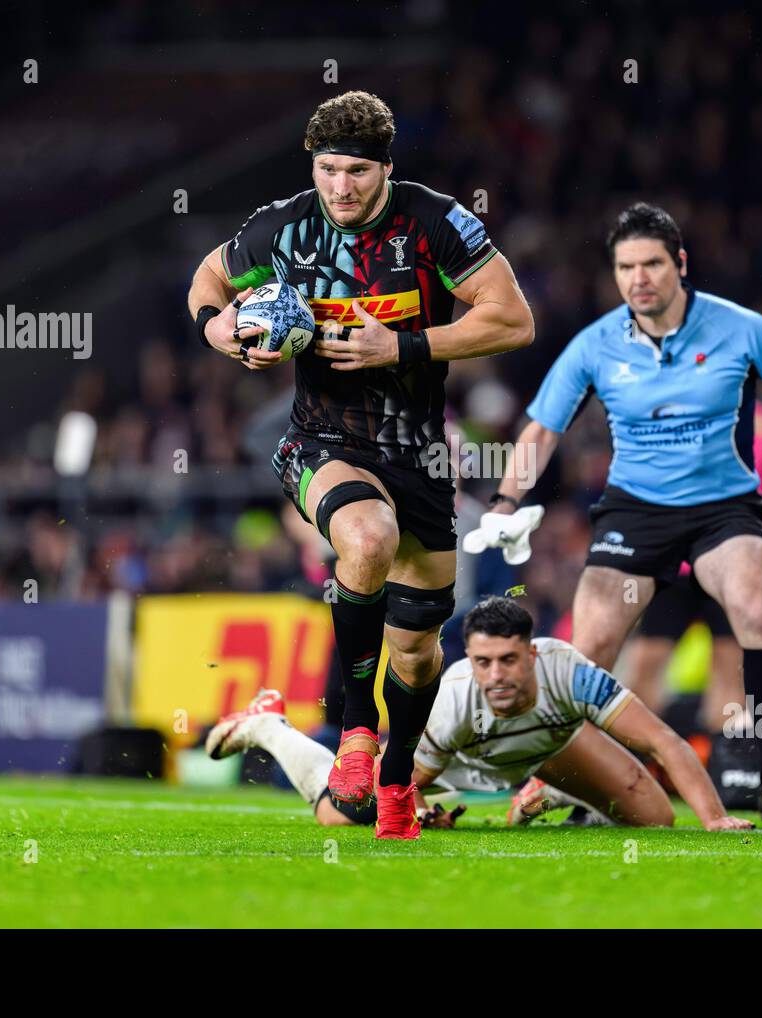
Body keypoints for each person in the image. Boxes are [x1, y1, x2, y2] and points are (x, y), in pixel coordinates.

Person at [186, 91, 534, 839]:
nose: (341, 188)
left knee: (415, 649)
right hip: (320, 442)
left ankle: (398, 779)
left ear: (387, 169)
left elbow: (512, 320)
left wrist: (400, 347)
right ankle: (353, 733)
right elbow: (208, 281)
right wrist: (223, 333)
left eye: (358, 172)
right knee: (367, 538)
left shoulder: (435, 222)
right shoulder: (284, 226)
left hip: (419, 455)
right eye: (328, 169)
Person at [483, 203, 762, 820]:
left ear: (680, 264)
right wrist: (507, 501)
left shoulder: (740, 327)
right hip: (635, 511)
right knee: (587, 645)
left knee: (756, 607)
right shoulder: (596, 343)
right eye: (625, 267)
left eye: (650, 264)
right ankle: (581, 785)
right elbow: (541, 428)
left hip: (723, 509)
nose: (637, 278)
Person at [206, 597, 753, 835]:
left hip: (554, 748)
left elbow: (664, 741)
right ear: (471, 660)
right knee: (340, 814)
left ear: (532, 654)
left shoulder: (570, 673)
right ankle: (269, 727)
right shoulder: (452, 700)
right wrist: (418, 809)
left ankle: (551, 792)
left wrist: (714, 818)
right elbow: (406, 784)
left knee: (655, 821)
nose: (497, 675)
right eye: (484, 662)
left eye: (509, 660)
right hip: (465, 762)